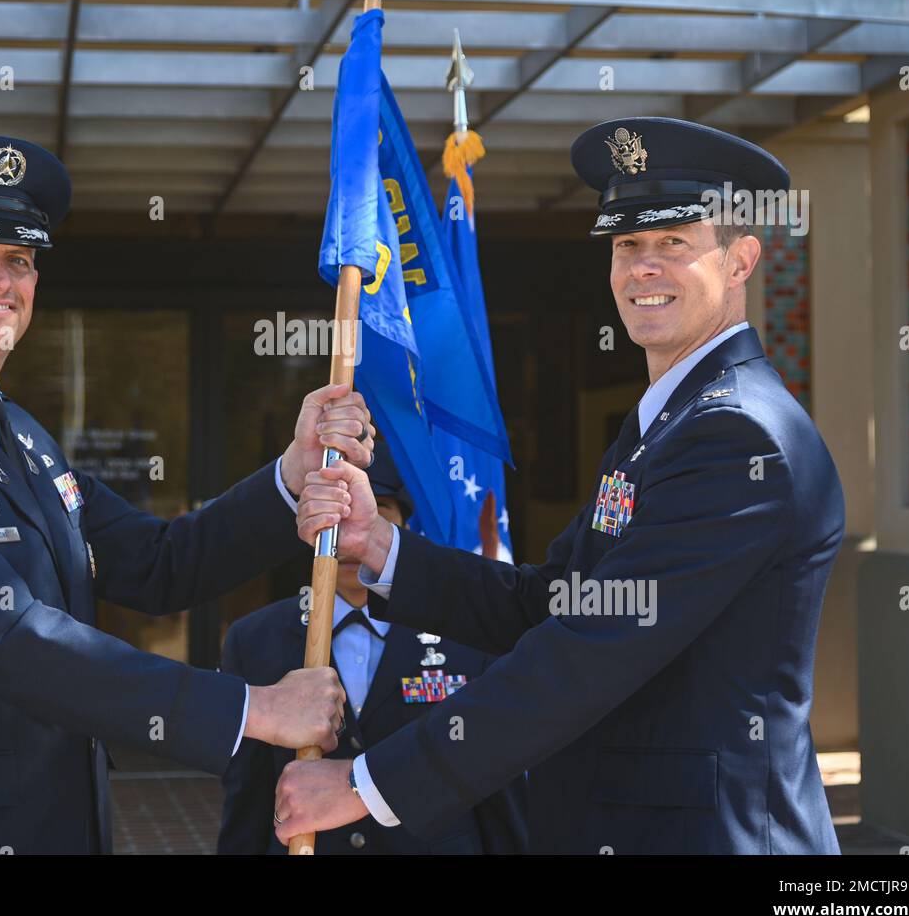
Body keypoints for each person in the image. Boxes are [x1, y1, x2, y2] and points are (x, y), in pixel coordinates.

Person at [275, 117, 846, 855]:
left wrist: (368, 786)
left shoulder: (738, 437)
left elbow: (589, 650)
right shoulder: (666, 426)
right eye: (627, 245)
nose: (644, 267)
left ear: (741, 261)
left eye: (674, 243)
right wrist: (380, 544)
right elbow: (554, 604)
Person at [0, 135, 371, 854]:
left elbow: (162, 564)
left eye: (20, 260)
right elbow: (9, 640)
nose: (0, 280)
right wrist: (251, 708)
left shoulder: (26, 439)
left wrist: (289, 474)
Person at [216, 443, 529, 854]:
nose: (347, 530)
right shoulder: (256, 639)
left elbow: (494, 784)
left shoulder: (465, 634)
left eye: (378, 508)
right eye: (335, 511)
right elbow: (248, 799)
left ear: (401, 526)